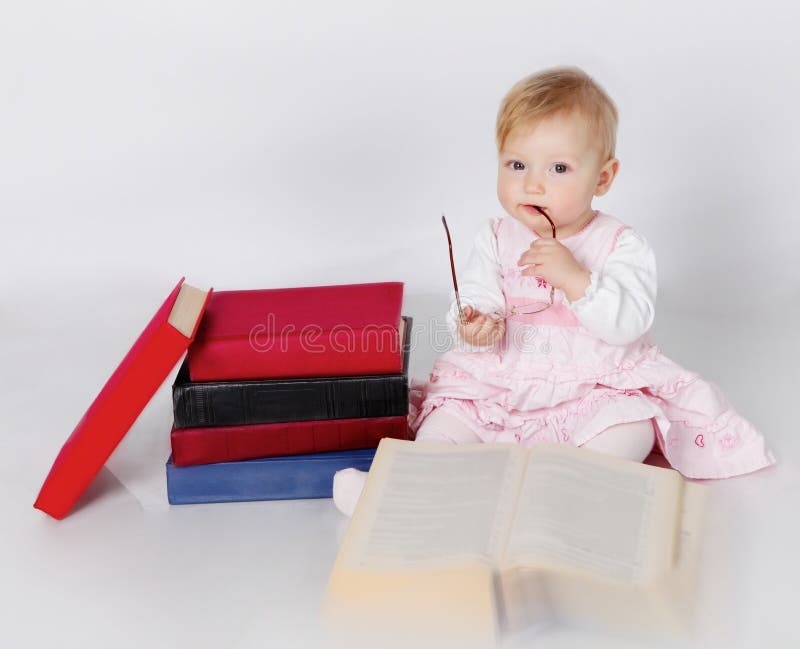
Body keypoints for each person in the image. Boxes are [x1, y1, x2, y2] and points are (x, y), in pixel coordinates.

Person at [332, 65, 776, 517]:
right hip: (499, 382)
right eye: (516, 165)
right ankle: (403, 488)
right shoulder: (497, 237)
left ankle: (563, 492)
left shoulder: (619, 244)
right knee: (447, 419)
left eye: (559, 168)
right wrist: (477, 323)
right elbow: (475, 293)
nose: (532, 184)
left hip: (590, 385)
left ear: (602, 178)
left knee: (632, 426)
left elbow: (627, 324)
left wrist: (575, 278)